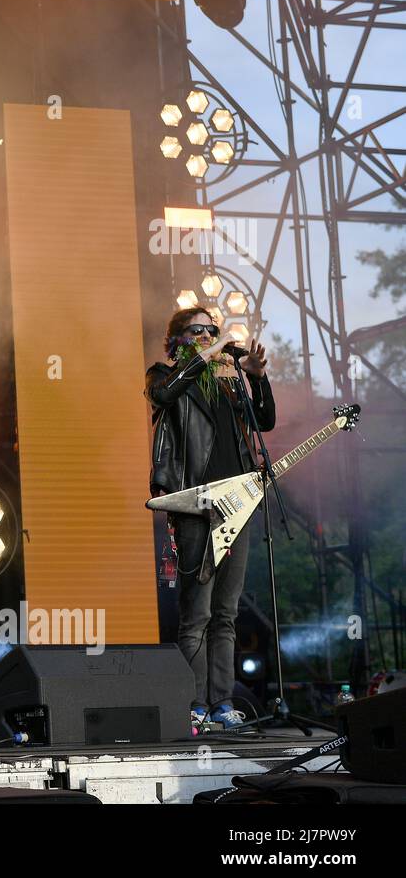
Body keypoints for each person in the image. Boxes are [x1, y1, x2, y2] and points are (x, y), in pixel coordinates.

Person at [146, 306, 273, 730]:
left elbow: (266, 422)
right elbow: (163, 398)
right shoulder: (163, 376)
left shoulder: (229, 385)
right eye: (197, 329)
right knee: (196, 614)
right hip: (198, 508)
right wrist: (211, 351)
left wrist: (256, 375)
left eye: (212, 329)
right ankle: (194, 703)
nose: (207, 334)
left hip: (238, 504)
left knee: (226, 614)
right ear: (177, 338)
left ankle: (223, 703)